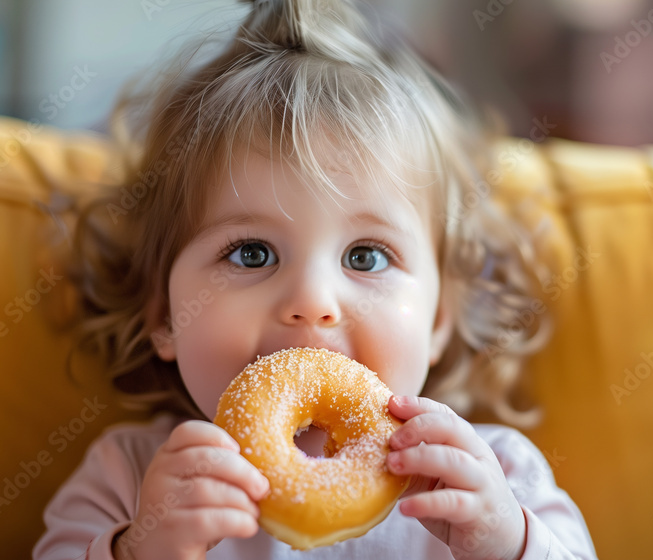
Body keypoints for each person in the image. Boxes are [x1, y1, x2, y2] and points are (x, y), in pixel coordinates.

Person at [34, 0, 596, 558]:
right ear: (164, 316)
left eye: (367, 257)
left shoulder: (490, 476)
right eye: (252, 254)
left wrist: (506, 539)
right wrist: (138, 551)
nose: (312, 301)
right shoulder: (132, 478)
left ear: (439, 317)